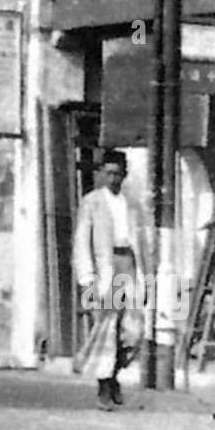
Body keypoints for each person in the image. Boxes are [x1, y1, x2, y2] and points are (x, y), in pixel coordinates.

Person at [71, 150, 145, 410]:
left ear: (125, 174)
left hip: (129, 264)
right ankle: (104, 386)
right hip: (106, 266)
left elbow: (142, 240)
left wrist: (144, 274)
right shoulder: (92, 201)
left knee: (133, 329)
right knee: (106, 328)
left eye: (118, 173)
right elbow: (82, 240)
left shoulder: (132, 203)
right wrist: (87, 277)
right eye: (109, 173)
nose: (113, 178)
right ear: (101, 173)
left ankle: (114, 375)